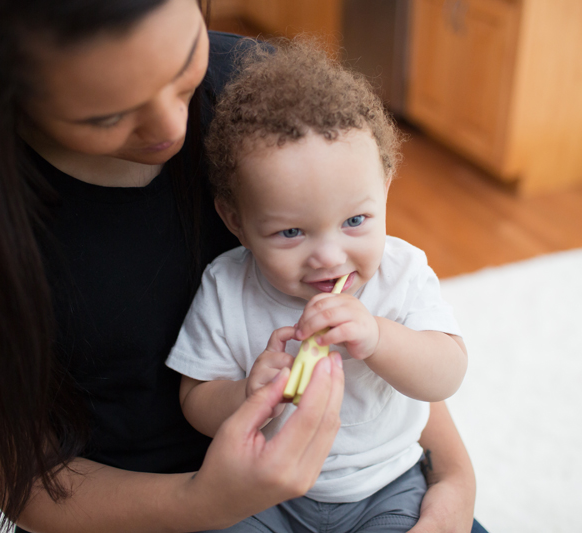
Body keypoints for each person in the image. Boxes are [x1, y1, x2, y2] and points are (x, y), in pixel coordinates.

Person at [0, 0, 480, 531]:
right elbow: (28, 482)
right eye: (108, 117)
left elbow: (405, 336)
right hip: (151, 508)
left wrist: (454, 476)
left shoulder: (263, 102)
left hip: (382, 484)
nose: (174, 131)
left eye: (183, 69)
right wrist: (208, 498)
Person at [167, 41, 480, 533]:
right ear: (236, 221)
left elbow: (446, 375)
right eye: (291, 232)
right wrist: (247, 393)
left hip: (385, 487)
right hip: (260, 493)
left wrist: (377, 337)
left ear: (387, 185)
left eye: (355, 220)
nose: (330, 257)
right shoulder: (226, 286)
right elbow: (195, 398)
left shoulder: (402, 274)